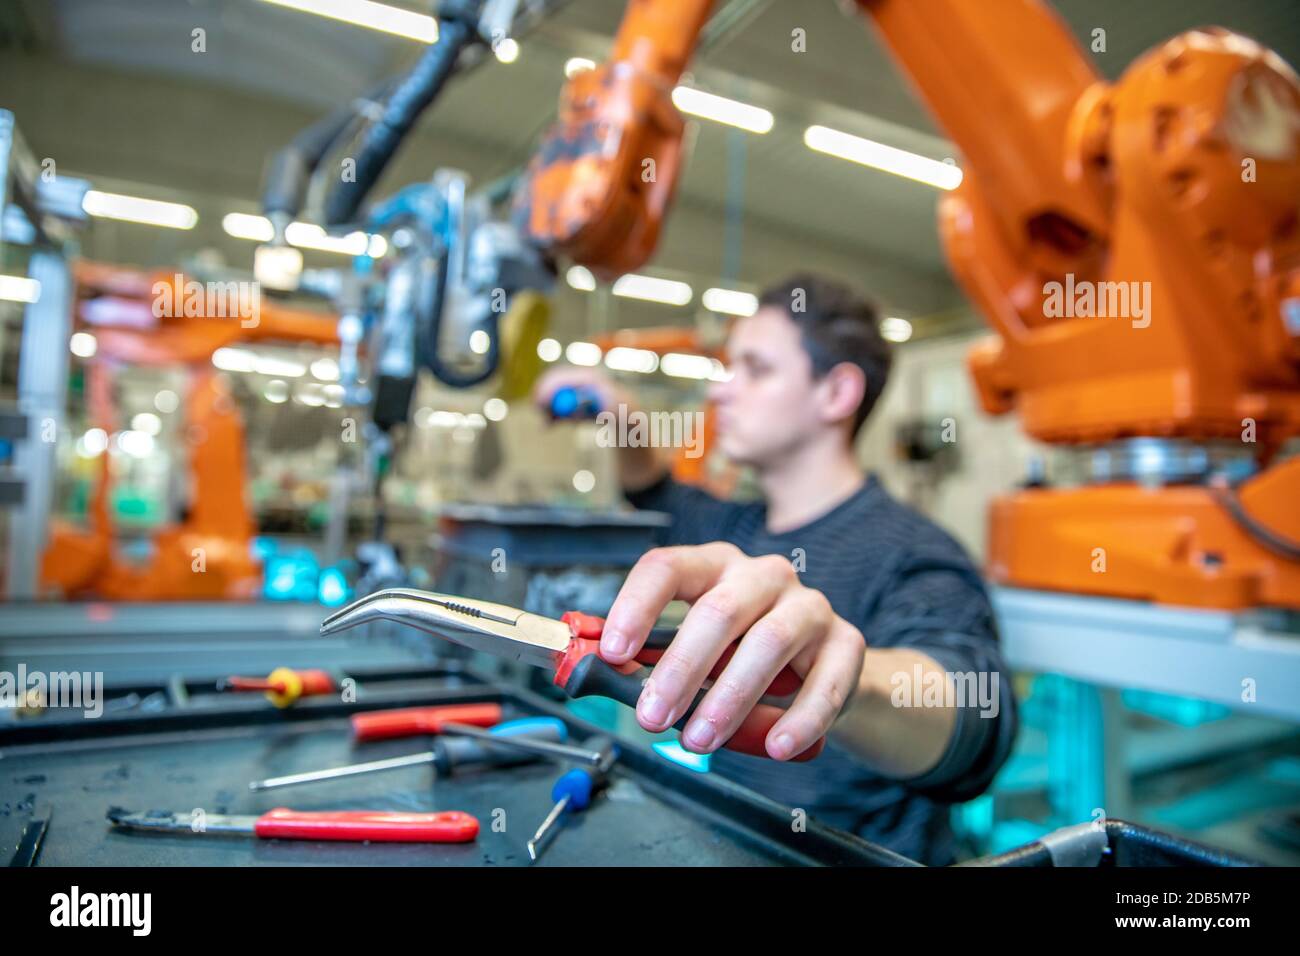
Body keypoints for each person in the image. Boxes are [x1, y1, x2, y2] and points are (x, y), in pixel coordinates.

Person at [534, 273, 1017, 864]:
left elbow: (977, 721)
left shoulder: (915, 551)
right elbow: (653, 487)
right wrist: (622, 410)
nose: (720, 391)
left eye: (755, 369)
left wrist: (845, 678)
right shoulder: (734, 532)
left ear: (836, 393)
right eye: (726, 367)